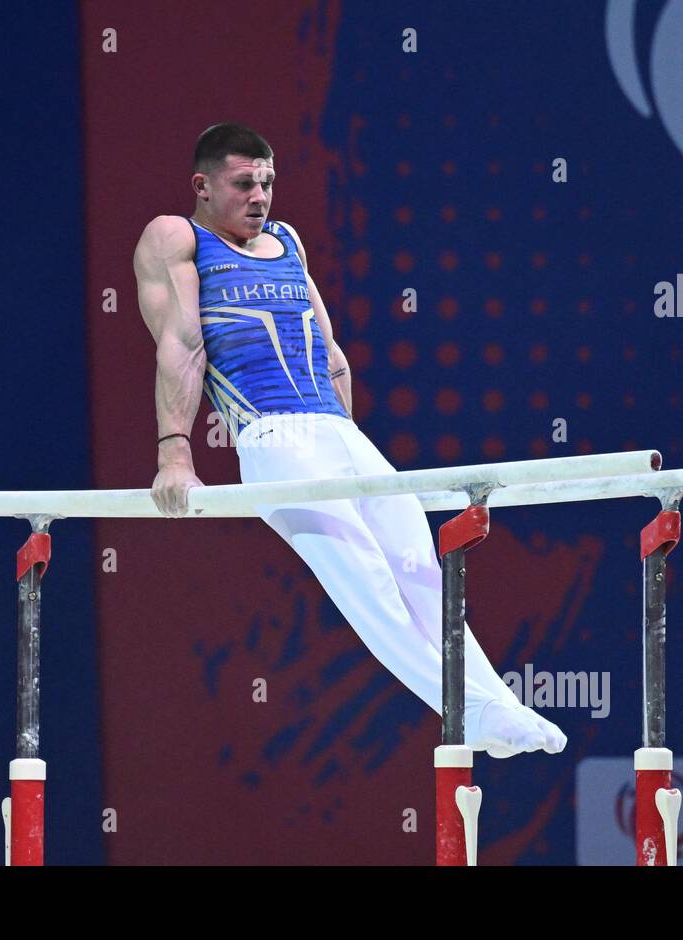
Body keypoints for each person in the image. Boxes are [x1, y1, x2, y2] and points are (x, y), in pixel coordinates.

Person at [133, 122, 566, 757]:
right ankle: (469, 714)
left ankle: (499, 709)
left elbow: (333, 354)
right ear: (201, 186)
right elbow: (183, 342)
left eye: (268, 183)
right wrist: (175, 453)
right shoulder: (177, 236)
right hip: (275, 437)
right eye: (243, 183)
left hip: (341, 435)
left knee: (423, 573)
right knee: (368, 581)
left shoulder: (286, 241)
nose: (260, 196)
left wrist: (353, 443)